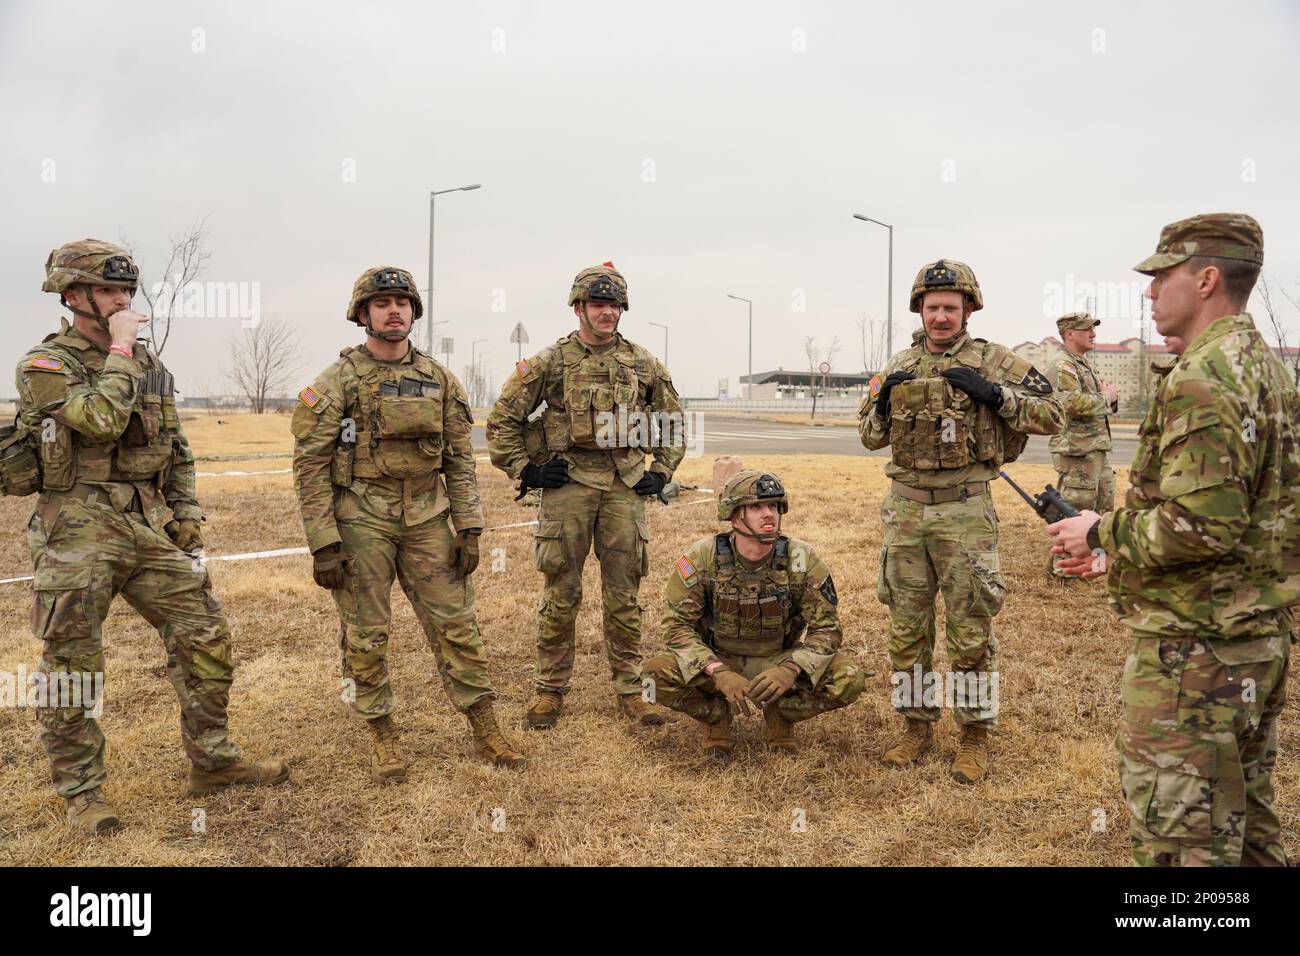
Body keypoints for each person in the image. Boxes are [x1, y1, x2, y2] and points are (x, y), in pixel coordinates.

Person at [11, 239, 287, 834]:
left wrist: (185, 513)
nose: (122, 300)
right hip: (76, 526)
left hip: (147, 523)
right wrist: (120, 349)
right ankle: (83, 794)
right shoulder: (45, 365)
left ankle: (213, 761)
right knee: (72, 662)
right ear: (73, 295)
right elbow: (100, 419)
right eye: (109, 291)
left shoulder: (147, 365)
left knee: (205, 633)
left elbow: (176, 449)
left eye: (127, 291)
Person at [1049, 214, 1298, 866]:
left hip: (1195, 656)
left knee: (1183, 843)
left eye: (1162, 276)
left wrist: (1101, 528)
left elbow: (1204, 525)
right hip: (1257, 639)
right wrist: (1124, 554)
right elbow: (1259, 518)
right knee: (1249, 827)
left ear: (1208, 278)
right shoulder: (1269, 373)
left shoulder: (1200, 377)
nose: (1149, 292)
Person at [292, 266, 525, 780]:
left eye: (403, 302)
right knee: (366, 632)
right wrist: (323, 542)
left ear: (414, 313)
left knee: (457, 625)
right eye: (382, 303)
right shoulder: (336, 383)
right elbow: (309, 466)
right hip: (361, 520)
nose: (393, 310)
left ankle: (485, 724)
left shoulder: (438, 380)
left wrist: (469, 526)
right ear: (362, 315)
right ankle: (382, 732)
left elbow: (459, 460)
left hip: (427, 517)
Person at [858, 259, 1064, 782]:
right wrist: (882, 401)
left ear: (968, 308)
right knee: (907, 631)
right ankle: (916, 726)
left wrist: (995, 395)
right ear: (920, 311)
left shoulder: (995, 360)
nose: (941, 316)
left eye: (951, 307)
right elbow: (868, 434)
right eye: (933, 308)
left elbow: (1054, 414)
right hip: (905, 510)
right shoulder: (900, 361)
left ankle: (974, 734)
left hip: (966, 509)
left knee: (970, 631)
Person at [485, 262, 684, 729]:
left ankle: (633, 692)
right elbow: (501, 421)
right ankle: (549, 692)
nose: (607, 313)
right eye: (598, 304)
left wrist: (661, 470)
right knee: (561, 592)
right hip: (568, 487)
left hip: (624, 488)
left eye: (614, 305)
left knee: (625, 594)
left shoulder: (642, 363)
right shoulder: (551, 362)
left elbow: (673, 420)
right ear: (578, 307)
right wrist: (528, 470)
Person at [641, 471, 865, 757]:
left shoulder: (801, 558)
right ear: (734, 517)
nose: (769, 514)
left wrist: (791, 669)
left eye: (773, 506)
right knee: (651, 677)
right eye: (757, 507)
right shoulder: (702, 557)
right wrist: (717, 671)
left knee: (849, 678)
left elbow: (827, 629)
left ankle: (781, 714)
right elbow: (677, 627)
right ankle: (716, 716)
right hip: (719, 659)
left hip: (778, 659)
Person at [1046, 312, 1118, 577]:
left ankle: (1095, 564)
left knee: (1103, 506)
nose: (1093, 333)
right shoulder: (1063, 365)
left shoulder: (1084, 364)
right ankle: (1064, 570)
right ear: (1069, 334)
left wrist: (1110, 398)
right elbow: (1069, 403)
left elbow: (1101, 401)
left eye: (1093, 328)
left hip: (1096, 447)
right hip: (1077, 450)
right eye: (1086, 329)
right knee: (1075, 510)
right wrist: (1105, 396)